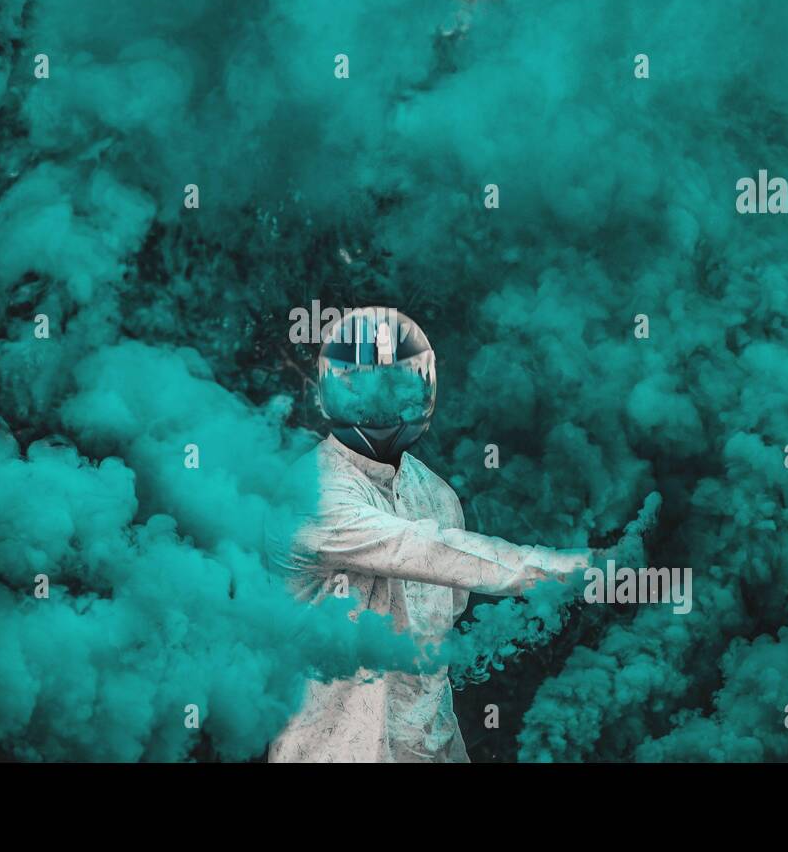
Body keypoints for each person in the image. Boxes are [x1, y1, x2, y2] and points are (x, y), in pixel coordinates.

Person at [264, 307, 648, 762]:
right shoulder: (308, 492)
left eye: (407, 380)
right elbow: (430, 552)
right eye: (382, 383)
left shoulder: (436, 494)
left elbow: (448, 615)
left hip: (431, 744)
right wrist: (583, 569)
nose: (400, 398)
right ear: (341, 389)